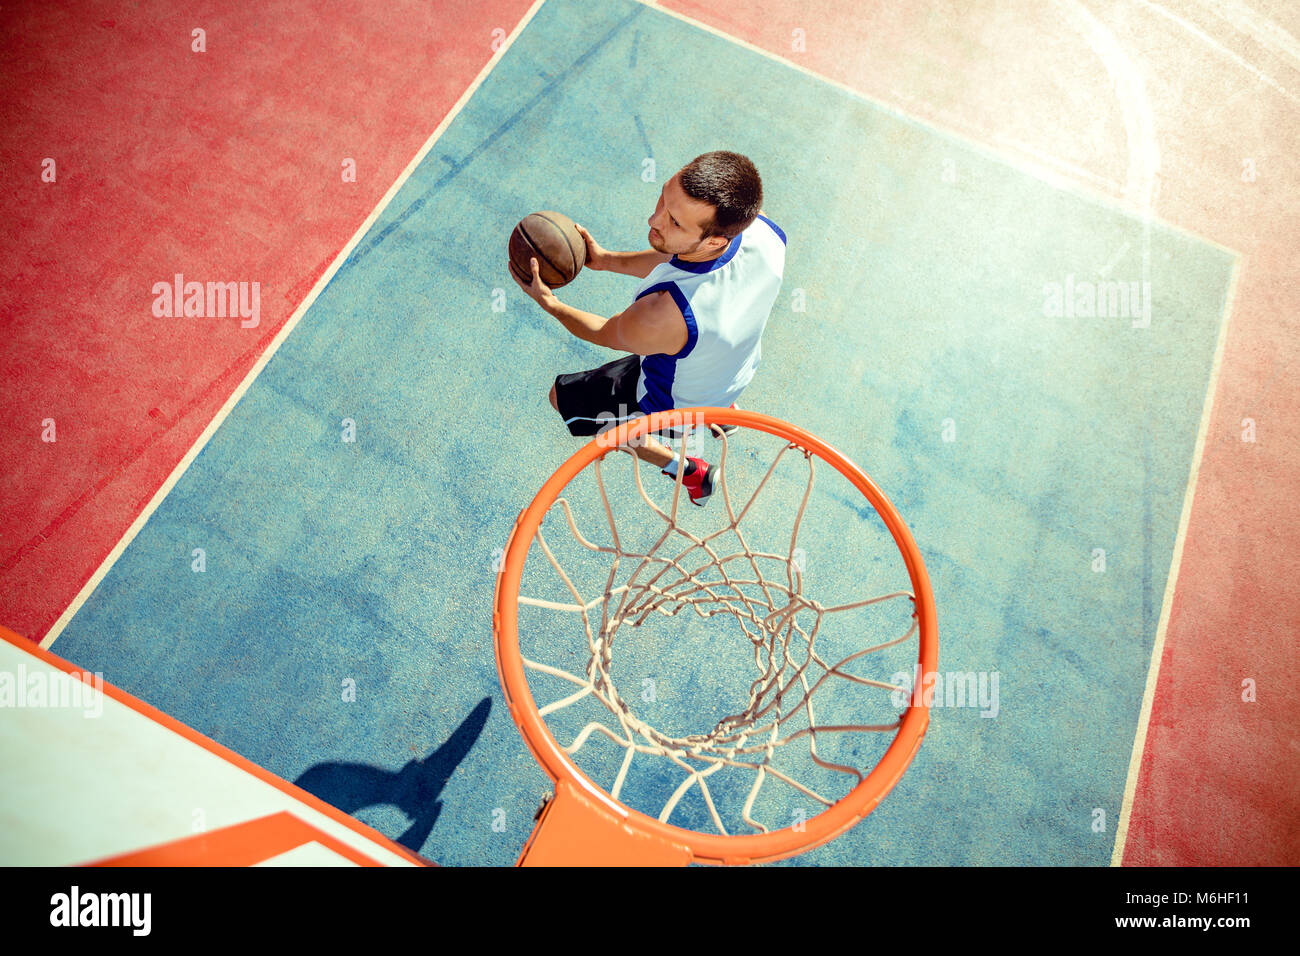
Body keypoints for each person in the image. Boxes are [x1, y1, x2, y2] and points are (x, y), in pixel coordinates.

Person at [510, 150, 786, 505]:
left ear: (716, 240)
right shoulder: (764, 232)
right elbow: (685, 257)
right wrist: (606, 260)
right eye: (664, 198)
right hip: (736, 372)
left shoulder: (662, 314)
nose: (654, 219)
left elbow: (602, 332)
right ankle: (721, 411)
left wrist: (551, 304)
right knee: (698, 348)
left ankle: (688, 470)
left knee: (563, 398)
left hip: (675, 404)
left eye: (675, 223)